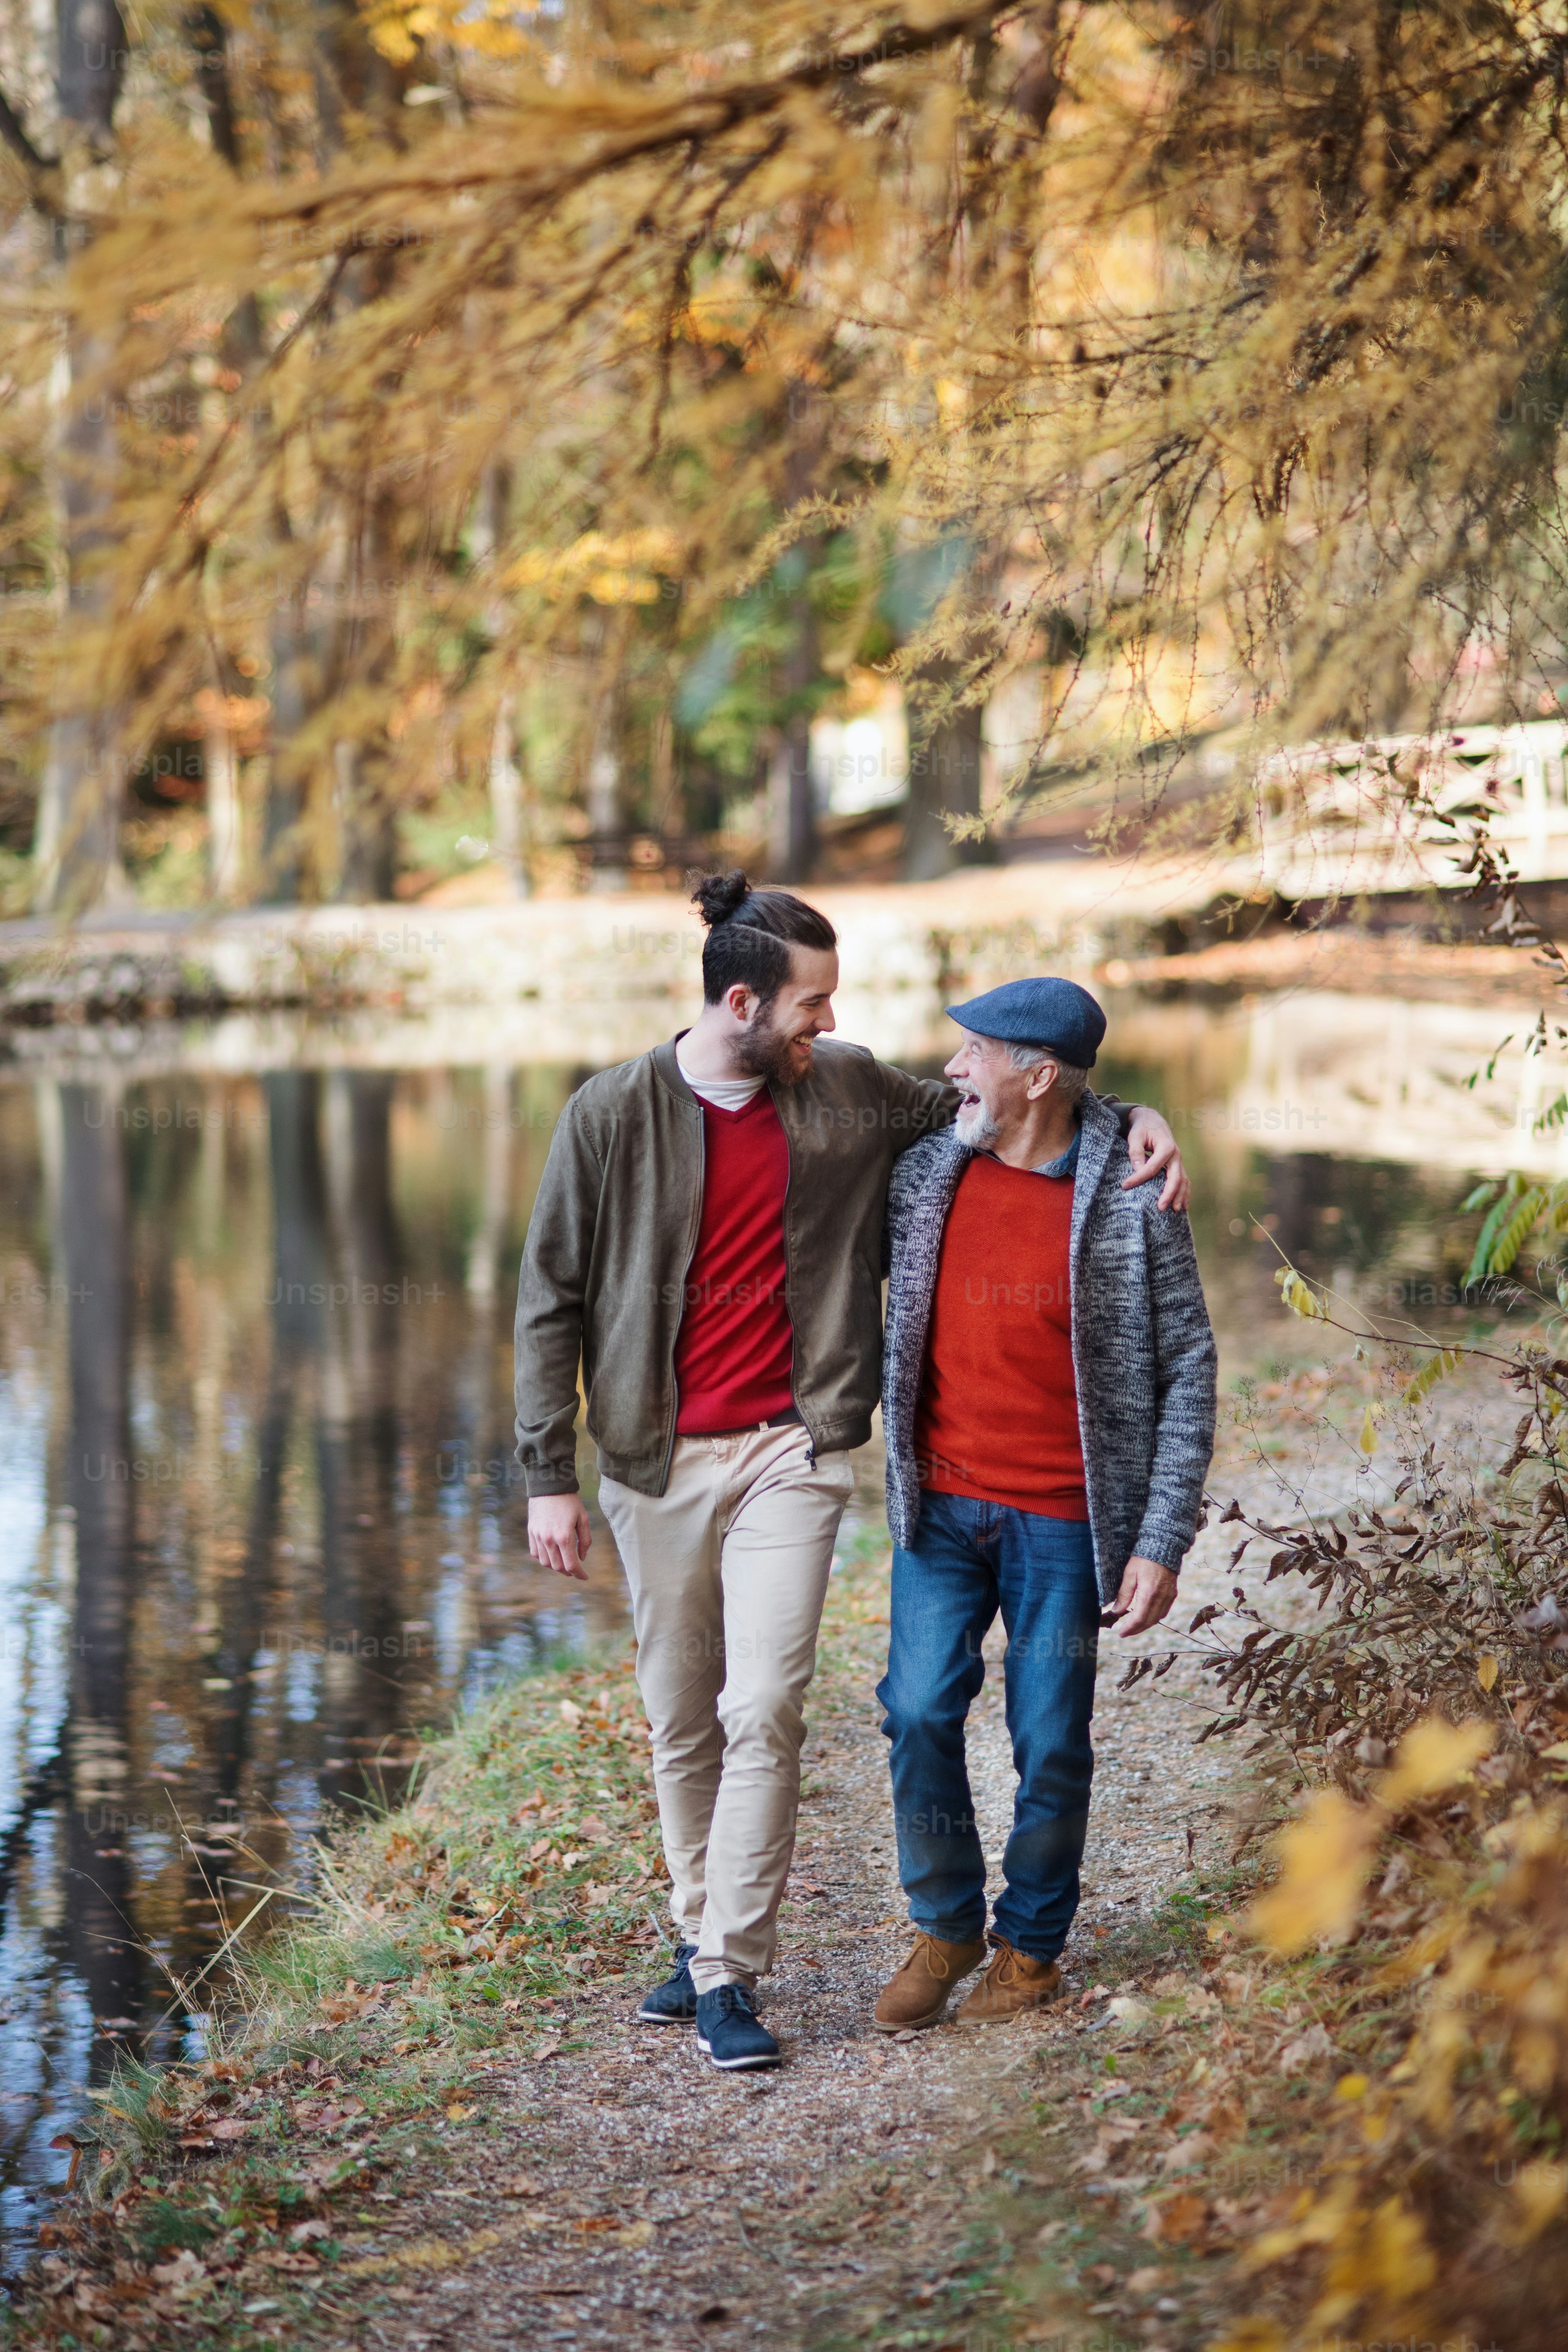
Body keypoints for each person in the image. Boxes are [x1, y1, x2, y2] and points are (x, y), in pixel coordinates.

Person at [517, 875, 1189, 2072]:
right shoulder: (611, 1111)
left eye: (831, 1004)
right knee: (692, 1715)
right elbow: (547, 1296)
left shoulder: (848, 1091)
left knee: (769, 1706)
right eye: (812, 1004)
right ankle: (712, 1930)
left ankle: (736, 1965)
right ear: (743, 999)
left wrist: (1133, 1113)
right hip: (656, 1455)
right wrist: (544, 1472)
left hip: (800, 1446)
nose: (830, 1023)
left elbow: (1018, 1090)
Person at [872, 976, 1216, 2032]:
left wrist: (1160, 1536)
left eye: (972, 1051)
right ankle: (945, 1924)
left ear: (1038, 1074)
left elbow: (1189, 1362)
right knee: (917, 1709)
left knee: (1049, 1737)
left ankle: (1028, 1949)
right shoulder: (927, 1170)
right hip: (938, 1508)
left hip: (1064, 1519)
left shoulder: (1131, 1195)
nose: (950, 1069)